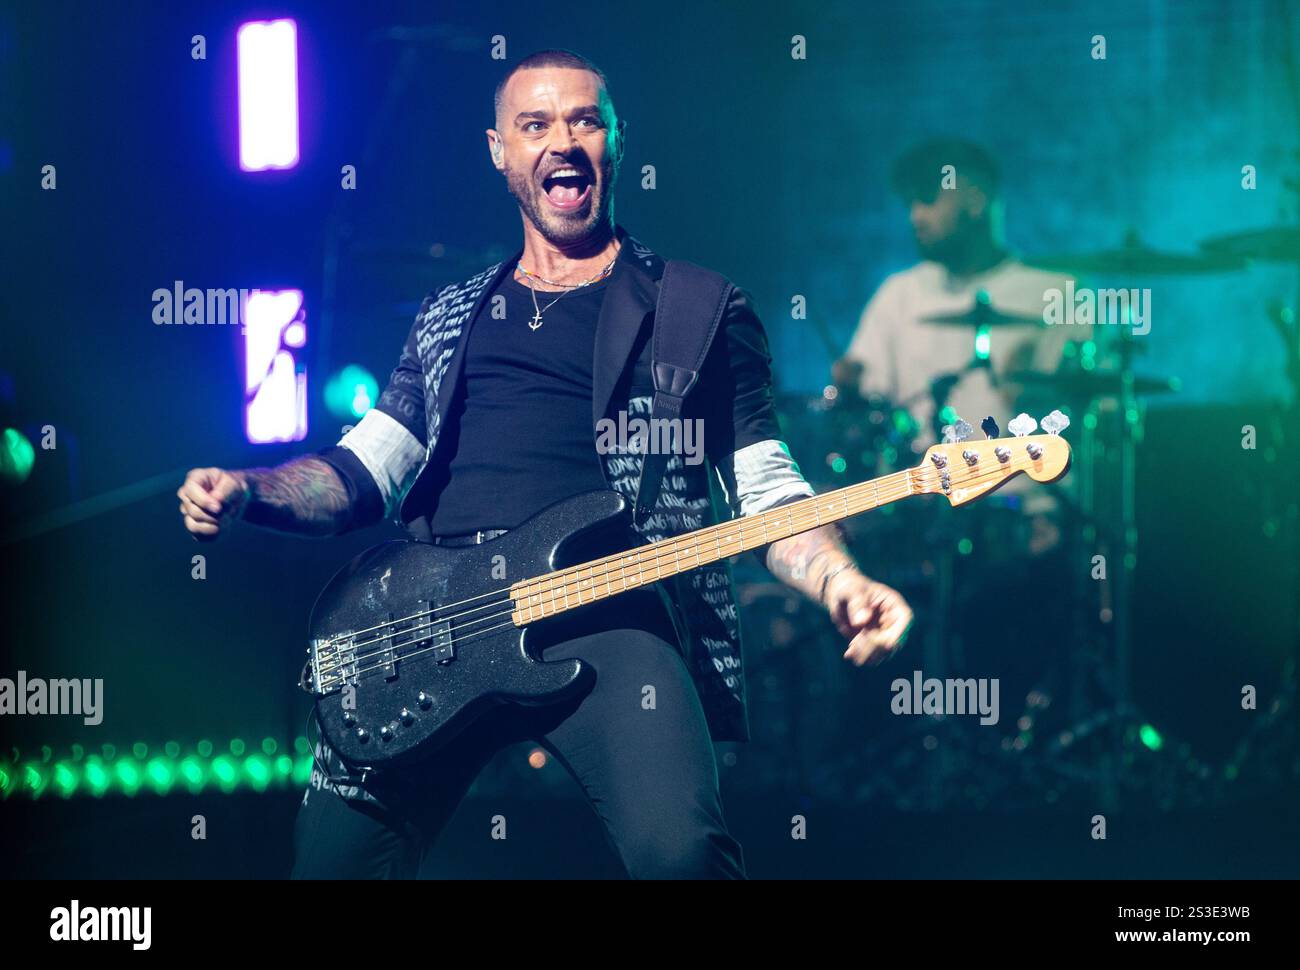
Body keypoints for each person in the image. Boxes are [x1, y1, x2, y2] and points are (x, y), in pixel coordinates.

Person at [176, 49, 912, 880]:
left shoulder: (697, 306)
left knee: (682, 857)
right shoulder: (449, 314)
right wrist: (251, 491)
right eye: (535, 125)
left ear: (616, 142)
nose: (561, 141)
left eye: (584, 121)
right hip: (434, 620)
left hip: (607, 607)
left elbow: (765, 489)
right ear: (500, 151)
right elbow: (363, 470)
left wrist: (840, 580)